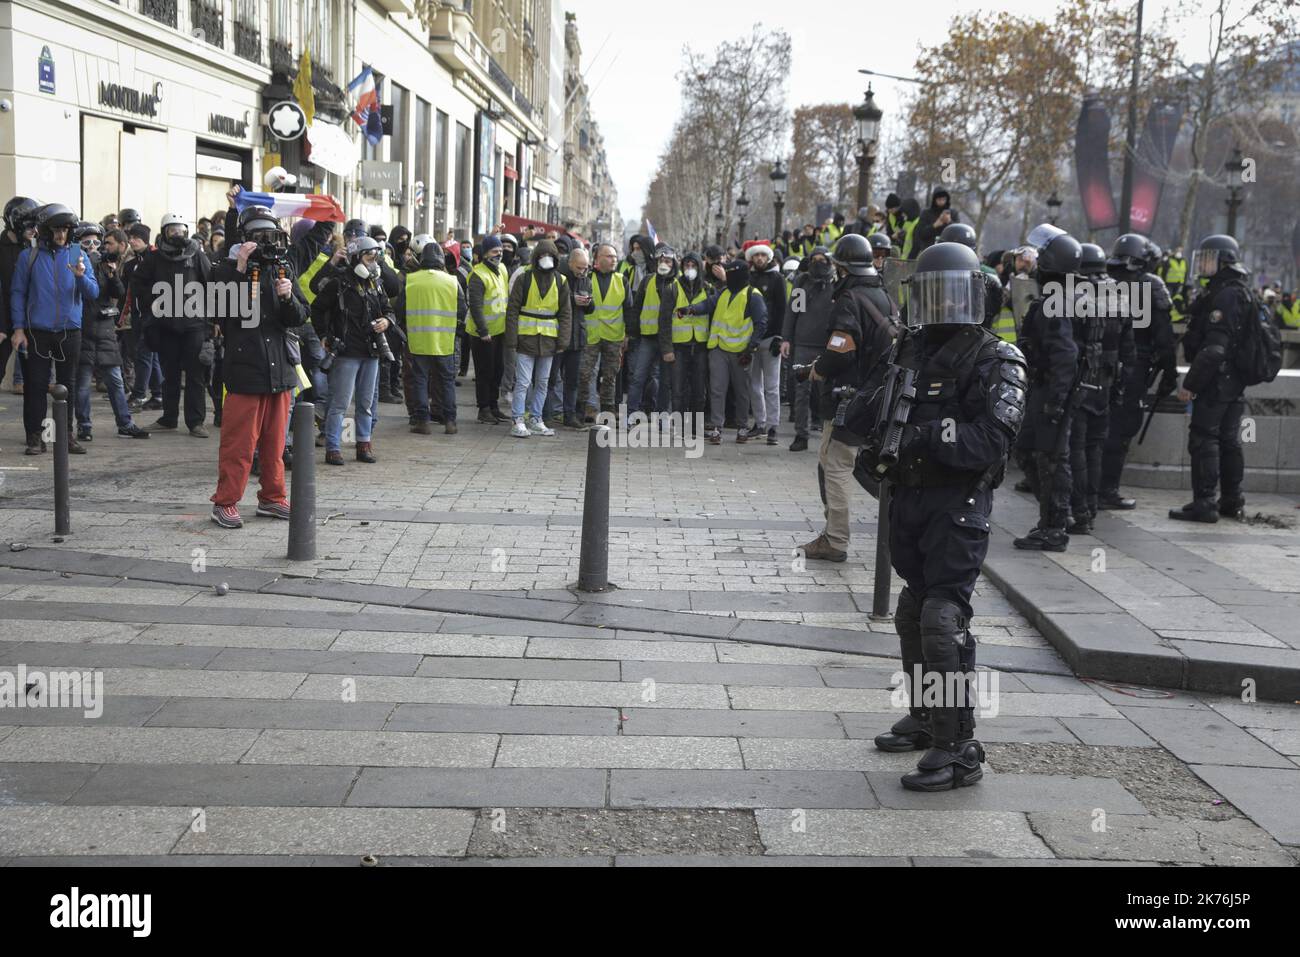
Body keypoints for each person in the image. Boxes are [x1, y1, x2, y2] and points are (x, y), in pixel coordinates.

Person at [862, 241, 1027, 792]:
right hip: (908, 498)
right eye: (930, 294)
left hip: (959, 504)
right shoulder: (908, 347)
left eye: (951, 294)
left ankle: (958, 748)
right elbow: (879, 405)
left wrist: (926, 436)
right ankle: (928, 715)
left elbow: (992, 440)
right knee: (912, 610)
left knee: (941, 619)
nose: (940, 306)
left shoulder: (997, 358)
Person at [799, 234, 897, 561]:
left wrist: (818, 371)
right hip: (876, 393)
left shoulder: (849, 299)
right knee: (849, 462)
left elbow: (841, 351)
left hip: (851, 397)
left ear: (842, 269)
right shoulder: (883, 295)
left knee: (836, 465)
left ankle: (835, 539)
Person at [208, 205, 306, 528]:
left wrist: (289, 297)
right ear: (245, 238)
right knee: (239, 444)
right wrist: (238, 268)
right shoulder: (225, 268)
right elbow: (218, 311)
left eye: (270, 235)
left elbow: (301, 317)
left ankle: (272, 498)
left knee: (275, 444)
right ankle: (225, 502)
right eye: (259, 236)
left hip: (279, 372)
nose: (266, 243)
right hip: (245, 371)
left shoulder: (283, 268)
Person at [1170, 234, 1252, 523]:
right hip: (1234, 381)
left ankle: (1204, 503)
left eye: (1207, 257)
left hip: (1217, 380)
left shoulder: (1225, 295)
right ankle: (1232, 499)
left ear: (1223, 260)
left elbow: (1215, 348)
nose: (1202, 263)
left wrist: (1191, 384)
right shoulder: (1238, 289)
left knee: (1204, 438)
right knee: (1229, 440)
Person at [9, 203, 99, 455]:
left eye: (66, 230)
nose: (62, 235)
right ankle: (36, 436)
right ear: (46, 231)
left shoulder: (78, 255)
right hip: (37, 331)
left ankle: (64, 435)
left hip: (70, 331)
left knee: (67, 385)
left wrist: (81, 276)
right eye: (57, 230)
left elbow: (93, 293)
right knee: (36, 385)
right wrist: (18, 329)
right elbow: (17, 294)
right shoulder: (30, 256)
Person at [1012, 225, 1081, 552]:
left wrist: (1055, 401)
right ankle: (1056, 515)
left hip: (1050, 392)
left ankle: (1053, 526)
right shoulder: (1060, 298)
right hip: (1044, 389)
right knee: (1029, 450)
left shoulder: (1057, 302)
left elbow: (1065, 355)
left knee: (1051, 459)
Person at [1097, 234, 1178, 509]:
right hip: (1134, 366)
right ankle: (1106, 491)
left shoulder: (1101, 281)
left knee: (1095, 427)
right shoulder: (1151, 285)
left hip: (1099, 365)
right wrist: (1170, 374)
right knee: (1121, 430)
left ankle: (1087, 489)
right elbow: (1165, 337)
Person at [1067, 243, 1134, 534]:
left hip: (1081, 381)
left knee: (1076, 449)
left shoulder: (1076, 295)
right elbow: (1127, 347)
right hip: (1105, 384)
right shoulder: (1120, 295)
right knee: (1095, 447)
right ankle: (1090, 507)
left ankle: (1079, 510)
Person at [132, 213, 211, 437]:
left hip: (194, 325)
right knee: (170, 375)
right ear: (164, 232)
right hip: (165, 326)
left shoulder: (196, 255)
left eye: (180, 230)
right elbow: (138, 284)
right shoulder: (154, 258)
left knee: (196, 375)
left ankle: (196, 422)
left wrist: (212, 320)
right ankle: (169, 418)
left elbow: (212, 284)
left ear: (186, 231)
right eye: (172, 230)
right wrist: (154, 301)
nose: (177, 234)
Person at [319, 235, 393, 465]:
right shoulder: (338, 283)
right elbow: (317, 308)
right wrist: (325, 336)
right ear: (355, 258)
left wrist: (386, 322)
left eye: (376, 257)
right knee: (339, 402)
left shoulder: (376, 283)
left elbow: (388, 309)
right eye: (369, 257)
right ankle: (333, 446)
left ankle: (364, 443)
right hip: (347, 351)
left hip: (370, 351)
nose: (373, 262)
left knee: (366, 403)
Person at [73, 224, 149, 441]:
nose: (93, 247)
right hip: (83, 329)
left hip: (104, 329)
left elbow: (119, 292)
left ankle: (125, 423)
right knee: (83, 383)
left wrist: (114, 273)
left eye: (98, 242)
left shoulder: (105, 264)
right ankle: (84, 426)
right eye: (86, 243)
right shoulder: (74, 264)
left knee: (115, 381)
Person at [682, 258, 768, 445]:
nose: (728, 276)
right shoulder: (724, 293)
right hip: (718, 348)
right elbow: (707, 305)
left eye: (731, 273)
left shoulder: (753, 295)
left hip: (740, 352)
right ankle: (716, 427)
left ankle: (742, 426)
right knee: (717, 390)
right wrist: (690, 310)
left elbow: (761, 323)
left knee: (741, 391)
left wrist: (751, 347)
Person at [399, 235, 466, 436]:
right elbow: (462, 309)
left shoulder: (412, 280)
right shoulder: (452, 282)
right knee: (446, 380)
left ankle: (422, 421)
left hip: (418, 339)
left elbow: (400, 309)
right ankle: (450, 421)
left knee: (419, 379)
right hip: (444, 340)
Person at [505, 238, 571, 437]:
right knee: (524, 382)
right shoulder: (524, 279)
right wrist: (511, 339)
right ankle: (518, 419)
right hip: (526, 339)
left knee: (543, 382)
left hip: (549, 341)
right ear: (536, 258)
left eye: (550, 256)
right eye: (542, 256)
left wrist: (563, 341)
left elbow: (566, 313)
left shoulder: (561, 281)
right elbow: (512, 310)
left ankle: (536, 418)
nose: (546, 259)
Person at [786, 246, 837, 452]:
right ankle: (801, 435)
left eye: (822, 259)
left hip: (827, 345)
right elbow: (792, 312)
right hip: (803, 344)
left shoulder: (836, 283)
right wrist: (786, 339)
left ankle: (829, 436)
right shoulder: (801, 282)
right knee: (801, 393)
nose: (818, 263)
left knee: (827, 393)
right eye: (814, 259)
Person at [578, 242, 629, 422]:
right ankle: (585, 408)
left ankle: (608, 408)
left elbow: (628, 308)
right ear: (597, 259)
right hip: (591, 335)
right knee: (585, 373)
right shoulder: (587, 278)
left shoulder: (621, 280)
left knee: (610, 375)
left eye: (615, 257)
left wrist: (627, 335)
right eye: (609, 256)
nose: (613, 260)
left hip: (613, 336)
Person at [626, 244, 678, 416]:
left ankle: (661, 415)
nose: (664, 263)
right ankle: (631, 413)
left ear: (673, 263)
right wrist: (632, 333)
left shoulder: (678, 284)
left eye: (668, 260)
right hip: (647, 338)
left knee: (665, 381)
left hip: (669, 341)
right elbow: (637, 307)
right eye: (661, 260)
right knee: (638, 377)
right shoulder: (647, 280)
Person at [744, 243, 786, 444]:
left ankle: (772, 426)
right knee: (754, 385)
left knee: (771, 385)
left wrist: (779, 336)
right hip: (751, 338)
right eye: (756, 255)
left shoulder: (777, 279)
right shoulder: (749, 279)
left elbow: (782, 309)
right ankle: (760, 423)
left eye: (763, 255)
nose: (760, 258)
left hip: (770, 338)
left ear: (768, 257)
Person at [544, 244, 591, 429]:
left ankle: (569, 416)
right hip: (558, 337)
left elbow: (590, 309)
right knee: (550, 379)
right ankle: (546, 415)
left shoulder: (586, 279)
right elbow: (553, 301)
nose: (582, 271)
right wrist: (573, 299)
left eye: (585, 267)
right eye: (579, 267)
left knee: (573, 380)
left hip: (577, 336)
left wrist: (588, 302)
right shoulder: (557, 277)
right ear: (570, 263)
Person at [664, 251, 712, 424]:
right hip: (679, 347)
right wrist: (667, 349)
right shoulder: (673, 288)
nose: (690, 269)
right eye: (686, 266)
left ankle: (695, 425)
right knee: (677, 389)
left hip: (700, 346)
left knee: (699, 389)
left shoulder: (708, 288)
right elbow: (664, 320)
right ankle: (678, 424)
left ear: (699, 267)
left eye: (693, 266)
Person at [467, 234, 510, 423]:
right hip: (482, 334)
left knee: (498, 370)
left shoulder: (502, 268)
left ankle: (493, 405)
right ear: (485, 254)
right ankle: (483, 408)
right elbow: (476, 306)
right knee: (484, 371)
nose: (499, 254)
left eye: (500, 251)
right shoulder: (478, 274)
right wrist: (483, 331)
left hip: (499, 331)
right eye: (495, 251)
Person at [1, 197, 41, 396]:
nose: (34, 230)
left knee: (33, 380)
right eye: (30, 225)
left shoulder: (33, 249)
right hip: (4, 323)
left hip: (29, 322)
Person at [121, 223, 163, 412]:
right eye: (130, 237)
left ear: (145, 239)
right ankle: (158, 394)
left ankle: (139, 394)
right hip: (138, 314)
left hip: (153, 314)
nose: (131, 241)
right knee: (150, 356)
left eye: (136, 238)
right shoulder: (131, 264)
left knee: (144, 354)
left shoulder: (157, 259)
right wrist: (126, 313)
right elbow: (129, 292)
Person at [912, 188, 957, 259]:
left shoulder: (953, 213)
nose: (942, 202)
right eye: (939, 200)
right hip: (929, 250)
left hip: (948, 251)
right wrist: (935, 225)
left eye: (944, 199)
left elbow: (957, 232)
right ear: (935, 200)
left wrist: (949, 222)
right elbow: (921, 233)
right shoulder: (926, 213)